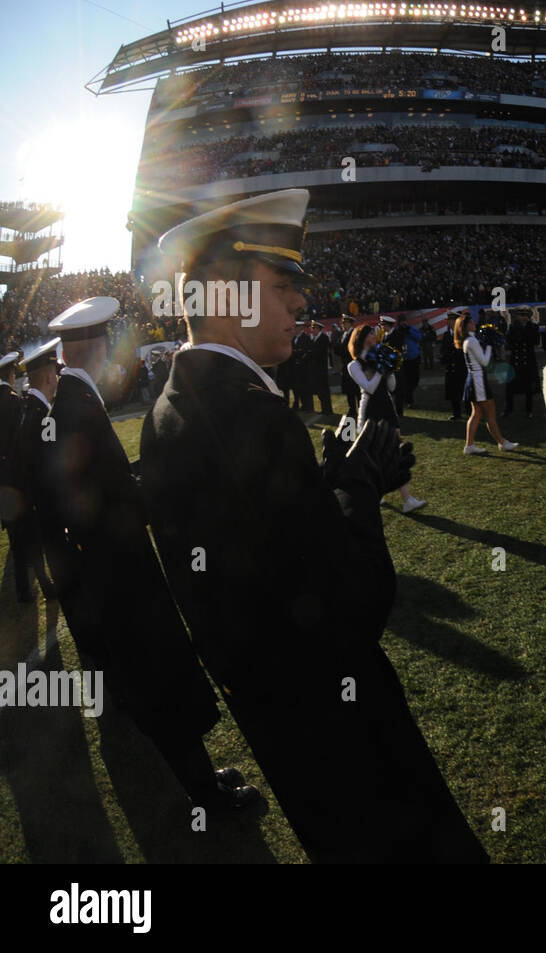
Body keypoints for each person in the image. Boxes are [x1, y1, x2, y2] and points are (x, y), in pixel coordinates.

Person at [139, 189, 486, 863]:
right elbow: (351, 606)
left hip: (286, 731)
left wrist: (324, 488)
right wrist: (356, 489)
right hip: (345, 732)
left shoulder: (171, 410)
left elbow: (256, 556)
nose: (302, 302)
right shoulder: (254, 417)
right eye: (282, 284)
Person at [39, 297, 259, 812]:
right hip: (122, 578)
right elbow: (97, 504)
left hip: (119, 572)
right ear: (93, 347)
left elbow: (102, 487)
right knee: (159, 679)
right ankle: (205, 796)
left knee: (165, 674)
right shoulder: (75, 406)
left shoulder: (75, 398)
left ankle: (203, 779)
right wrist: (160, 487)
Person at [347, 323, 425, 514]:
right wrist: (380, 369)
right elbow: (369, 388)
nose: (375, 336)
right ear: (362, 337)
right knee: (376, 457)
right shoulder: (354, 365)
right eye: (371, 333)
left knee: (394, 452)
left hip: (387, 408)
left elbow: (391, 387)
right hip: (370, 411)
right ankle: (386, 495)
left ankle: (405, 499)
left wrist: (390, 370)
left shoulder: (379, 355)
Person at [9, 340, 59, 603]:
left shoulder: (30, 407)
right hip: (45, 511)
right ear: (50, 376)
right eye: (56, 373)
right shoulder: (42, 416)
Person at [456, 311, 516, 455]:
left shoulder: (468, 340)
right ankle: (502, 442)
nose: (474, 324)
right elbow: (484, 361)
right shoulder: (471, 341)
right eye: (471, 322)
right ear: (465, 326)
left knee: (476, 413)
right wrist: (489, 345)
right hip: (478, 381)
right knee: (490, 413)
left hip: (474, 379)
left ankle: (469, 445)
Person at [0, 350, 26, 600]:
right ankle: (25, 587)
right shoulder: (11, 400)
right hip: (16, 478)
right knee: (26, 537)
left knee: (14, 532)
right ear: (9, 373)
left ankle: (19, 584)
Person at [503, 306, 539, 418]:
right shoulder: (513, 327)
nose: (523, 318)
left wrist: (524, 331)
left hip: (528, 361)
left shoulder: (533, 327)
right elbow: (509, 342)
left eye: (525, 315)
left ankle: (529, 410)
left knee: (529, 388)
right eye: (521, 315)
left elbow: (535, 341)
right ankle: (508, 409)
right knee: (509, 388)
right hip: (515, 361)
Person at [440, 312, 466, 420]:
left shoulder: (463, 334)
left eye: (453, 320)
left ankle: (470, 412)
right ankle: (456, 413)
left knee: (464, 391)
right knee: (453, 392)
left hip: (461, 367)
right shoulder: (447, 335)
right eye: (449, 320)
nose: (450, 322)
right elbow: (443, 349)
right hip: (450, 367)